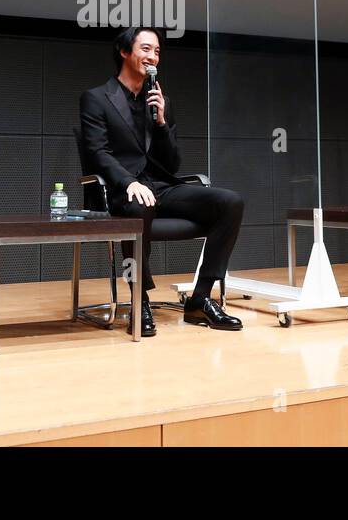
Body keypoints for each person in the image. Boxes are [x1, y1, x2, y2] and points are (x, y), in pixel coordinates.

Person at [79, 27, 244, 335]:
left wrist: (162, 122)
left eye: (156, 51)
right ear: (125, 52)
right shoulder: (97, 98)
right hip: (120, 191)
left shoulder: (160, 101)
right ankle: (138, 299)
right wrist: (129, 182)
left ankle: (201, 299)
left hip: (160, 187)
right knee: (140, 206)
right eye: (145, 49)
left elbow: (172, 164)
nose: (152, 57)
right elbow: (97, 153)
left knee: (230, 202)